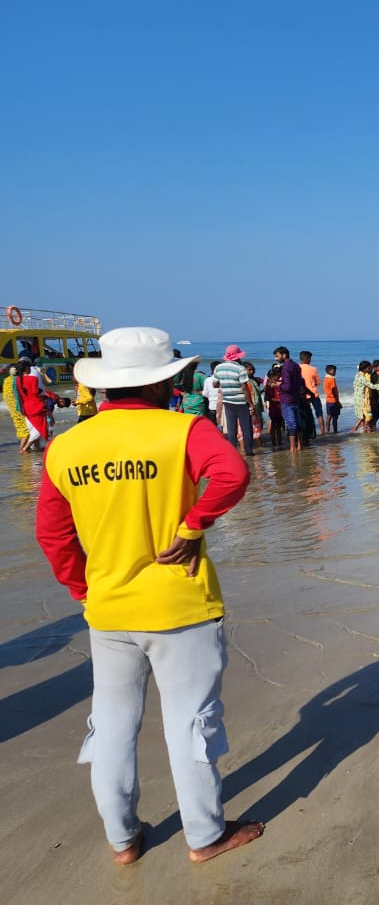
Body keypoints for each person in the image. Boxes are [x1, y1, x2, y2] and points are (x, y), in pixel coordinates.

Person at [34, 326, 265, 865]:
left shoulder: (67, 445)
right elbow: (232, 473)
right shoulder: (184, 429)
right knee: (189, 724)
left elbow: (53, 534)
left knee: (113, 725)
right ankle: (205, 836)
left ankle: (123, 840)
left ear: (109, 385)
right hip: (180, 607)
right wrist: (191, 527)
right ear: (165, 381)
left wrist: (81, 589)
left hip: (108, 609)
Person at [213, 345, 255, 457]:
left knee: (232, 428)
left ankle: (232, 452)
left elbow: (215, 384)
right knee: (246, 427)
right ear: (238, 357)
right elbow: (245, 388)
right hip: (241, 402)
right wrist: (250, 404)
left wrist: (225, 382)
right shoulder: (240, 368)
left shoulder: (218, 368)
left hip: (228, 401)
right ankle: (249, 452)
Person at [16, 358, 50, 452]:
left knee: (31, 428)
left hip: (26, 406)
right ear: (26, 369)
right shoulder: (33, 379)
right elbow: (35, 392)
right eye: (29, 367)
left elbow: (20, 395)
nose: (30, 368)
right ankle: (25, 448)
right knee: (38, 429)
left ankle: (36, 447)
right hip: (35, 405)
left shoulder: (18, 380)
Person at [274, 347, 304, 451]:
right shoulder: (296, 365)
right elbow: (299, 382)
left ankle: (292, 448)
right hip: (295, 398)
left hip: (287, 399)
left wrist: (278, 385)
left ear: (284, 355)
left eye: (277, 356)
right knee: (298, 423)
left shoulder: (285, 367)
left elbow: (287, 386)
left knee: (291, 423)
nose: (275, 358)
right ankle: (300, 446)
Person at [5, 363, 32, 450]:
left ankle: (25, 450)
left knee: (21, 429)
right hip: (19, 408)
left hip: (13, 410)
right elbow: (20, 395)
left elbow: (7, 397)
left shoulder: (6, 381)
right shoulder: (17, 380)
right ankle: (23, 450)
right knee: (26, 431)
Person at [298, 351, 324, 436]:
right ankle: (323, 432)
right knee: (319, 414)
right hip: (313, 394)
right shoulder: (313, 369)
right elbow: (318, 382)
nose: (311, 360)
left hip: (302, 395)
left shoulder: (297, 368)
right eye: (310, 358)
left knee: (304, 415)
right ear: (307, 359)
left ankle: (304, 433)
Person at [324, 364, 342, 433]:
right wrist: (338, 401)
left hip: (328, 400)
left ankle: (327, 430)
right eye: (333, 371)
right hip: (333, 400)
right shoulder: (331, 379)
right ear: (328, 371)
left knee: (329, 416)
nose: (335, 372)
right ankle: (335, 431)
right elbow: (334, 390)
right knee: (335, 417)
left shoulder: (326, 378)